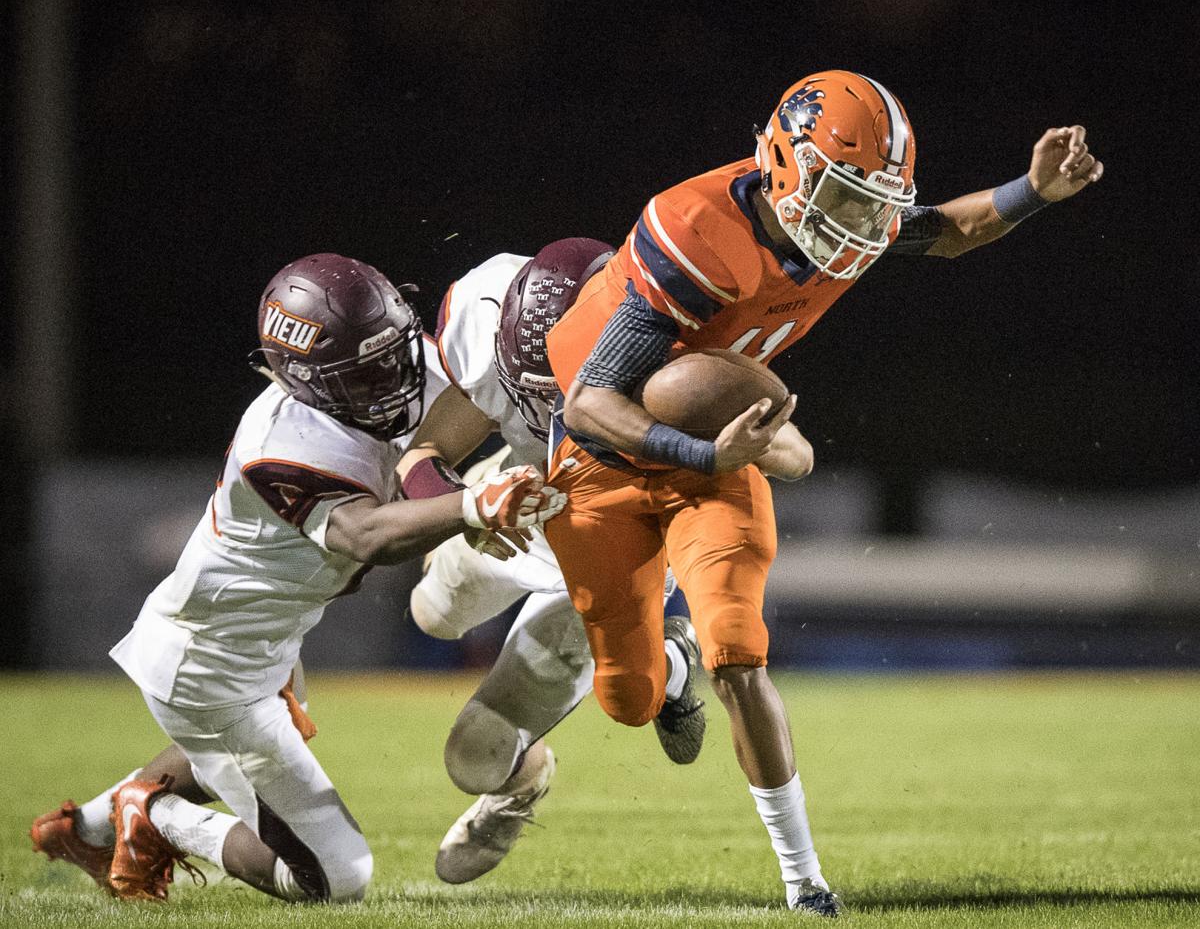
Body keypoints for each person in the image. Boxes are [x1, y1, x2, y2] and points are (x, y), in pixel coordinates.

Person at [542, 70, 1104, 916]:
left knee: (741, 647)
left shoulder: (853, 216)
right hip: (605, 459)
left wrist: (1035, 191)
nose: (860, 224)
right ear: (782, 161)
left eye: (874, 202)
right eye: (844, 195)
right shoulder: (697, 230)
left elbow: (945, 232)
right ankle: (669, 664)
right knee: (629, 698)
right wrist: (696, 444)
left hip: (723, 451)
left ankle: (806, 881)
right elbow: (591, 400)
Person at [29, 253, 565, 903]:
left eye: (393, 351)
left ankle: (82, 827)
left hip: (266, 635)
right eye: (366, 370)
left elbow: (471, 378)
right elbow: (366, 534)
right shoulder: (282, 443)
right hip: (208, 662)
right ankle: (157, 815)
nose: (395, 375)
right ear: (307, 379)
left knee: (243, 742)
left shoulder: (386, 359)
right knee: (335, 876)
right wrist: (471, 503)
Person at [399, 238, 702, 884]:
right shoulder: (479, 316)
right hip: (519, 497)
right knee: (430, 612)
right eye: (531, 389)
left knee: (475, 757)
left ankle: (668, 661)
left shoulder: (669, 360)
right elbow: (420, 455)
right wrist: (464, 508)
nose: (546, 409)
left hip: (614, 535)